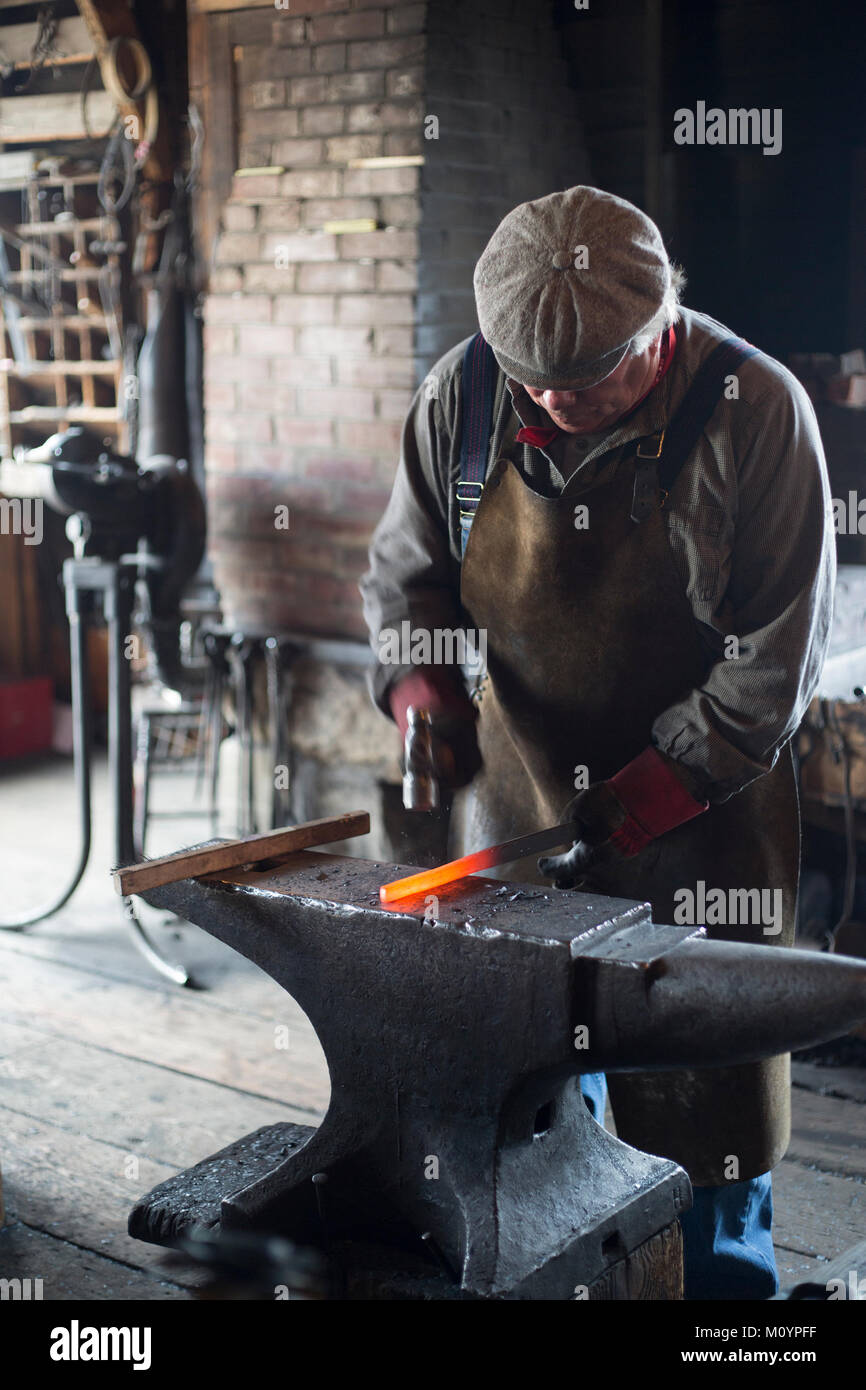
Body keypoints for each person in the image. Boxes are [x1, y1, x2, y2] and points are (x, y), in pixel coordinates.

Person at [360, 185, 835, 1299]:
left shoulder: (752, 412)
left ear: (659, 326)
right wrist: (421, 690)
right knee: (527, 1125)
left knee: (704, 1135)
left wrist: (643, 799)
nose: (548, 400)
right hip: (518, 827)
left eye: (582, 382)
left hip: (702, 837)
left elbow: (772, 664)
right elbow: (404, 576)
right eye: (529, 377)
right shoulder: (463, 399)